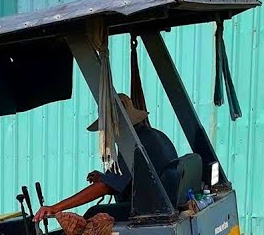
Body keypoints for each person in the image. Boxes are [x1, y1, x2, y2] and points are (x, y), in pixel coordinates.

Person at [33, 93, 179, 223]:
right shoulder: (154, 135)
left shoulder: (134, 146)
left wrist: (55, 208)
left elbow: (106, 186)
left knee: (93, 214)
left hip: (151, 211)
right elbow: (130, 179)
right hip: (160, 203)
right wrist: (105, 178)